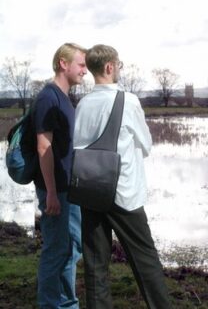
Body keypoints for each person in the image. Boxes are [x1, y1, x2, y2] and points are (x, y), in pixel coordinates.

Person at [73, 45, 171, 308]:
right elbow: (146, 145)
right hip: (123, 191)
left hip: (90, 191)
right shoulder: (128, 101)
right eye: (119, 64)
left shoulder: (83, 104)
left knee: (95, 265)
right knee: (145, 260)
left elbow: (78, 147)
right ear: (109, 67)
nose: (119, 68)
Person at [32, 43, 87, 308]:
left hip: (68, 188)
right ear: (63, 64)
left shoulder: (65, 98)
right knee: (56, 251)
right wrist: (51, 193)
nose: (85, 70)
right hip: (56, 190)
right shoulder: (48, 97)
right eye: (81, 64)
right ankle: (50, 304)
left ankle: (66, 304)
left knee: (72, 247)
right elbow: (44, 146)